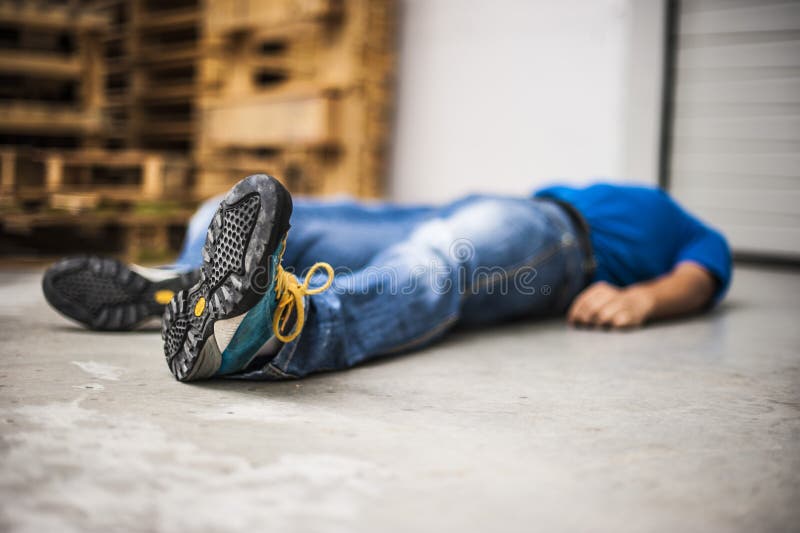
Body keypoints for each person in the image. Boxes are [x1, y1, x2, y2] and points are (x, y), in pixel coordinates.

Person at [43, 174, 732, 382]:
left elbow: (706, 270)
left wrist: (643, 295)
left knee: (438, 263)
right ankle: (188, 283)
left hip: (553, 241)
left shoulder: (682, 222)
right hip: (472, 207)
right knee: (267, 213)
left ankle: (276, 326)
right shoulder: (583, 183)